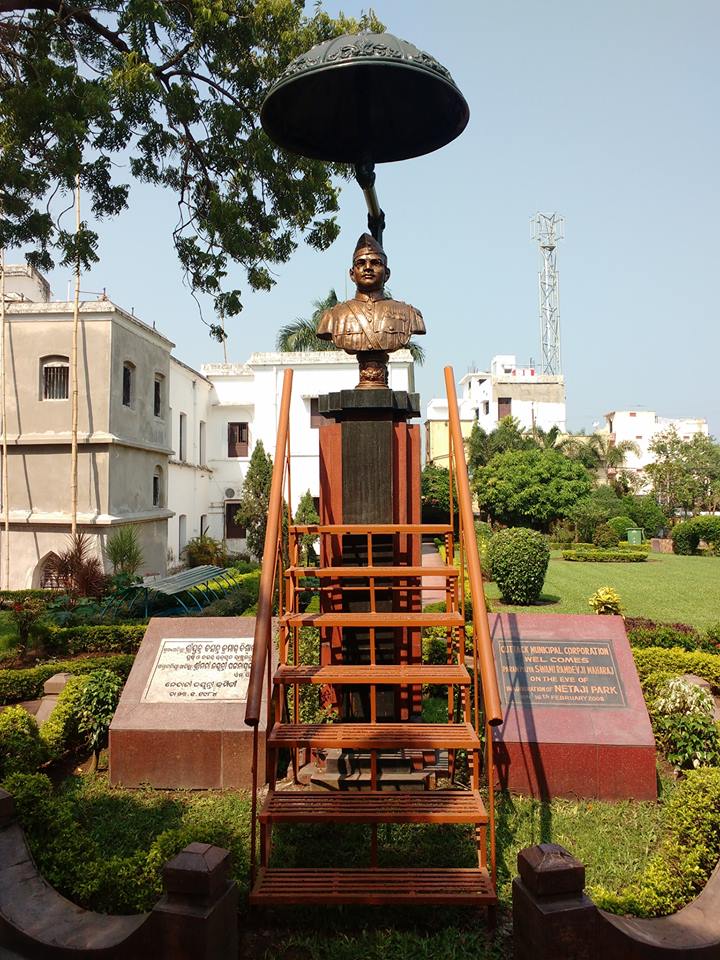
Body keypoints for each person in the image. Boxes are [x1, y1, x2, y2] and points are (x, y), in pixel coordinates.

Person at [317, 233, 424, 386]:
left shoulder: (409, 314)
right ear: (352, 274)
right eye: (361, 263)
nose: (368, 268)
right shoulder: (332, 317)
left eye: (375, 263)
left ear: (387, 274)